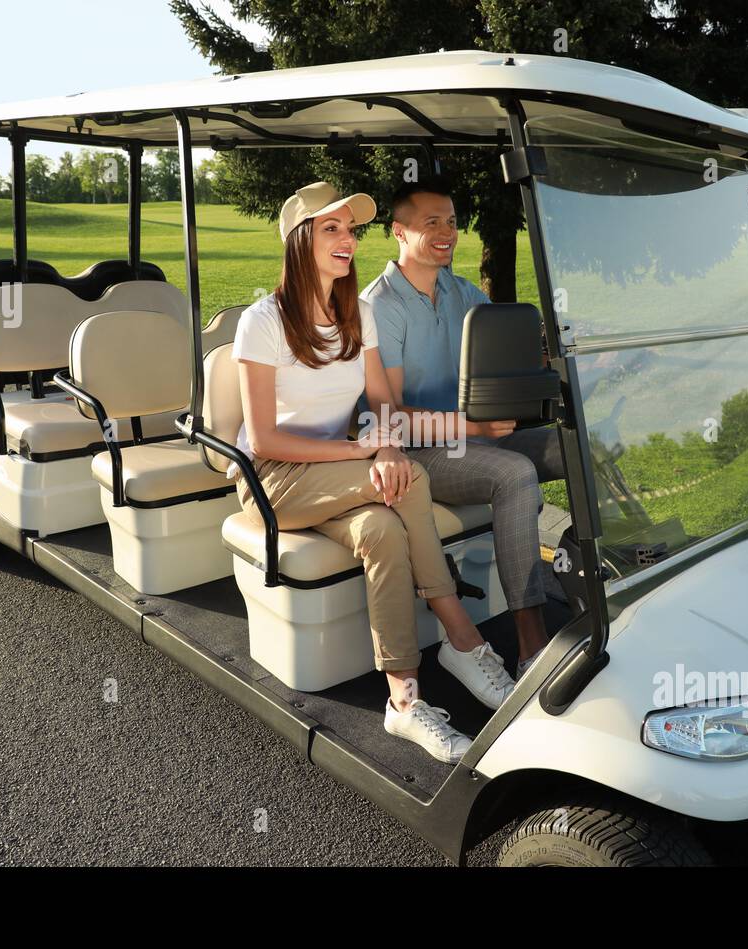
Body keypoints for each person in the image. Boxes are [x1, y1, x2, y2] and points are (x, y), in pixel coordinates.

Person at [230, 182, 515, 765]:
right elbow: (264, 438)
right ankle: (463, 638)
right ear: (298, 241)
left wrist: (383, 446)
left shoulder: (358, 313)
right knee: (411, 479)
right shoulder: (262, 322)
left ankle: (403, 701)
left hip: (335, 469)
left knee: (382, 530)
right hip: (273, 478)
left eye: (352, 229)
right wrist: (371, 455)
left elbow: (383, 404)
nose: (348, 240)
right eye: (331, 228)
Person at [361, 176, 562, 679]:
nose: (447, 231)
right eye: (432, 222)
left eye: (451, 221)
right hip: (417, 450)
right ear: (399, 232)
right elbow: (389, 418)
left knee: (578, 447)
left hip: (474, 436)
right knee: (515, 473)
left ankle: (607, 585)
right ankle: (531, 644)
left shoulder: (464, 291)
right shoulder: (379, 306)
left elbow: (506, 361)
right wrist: (472, 426)